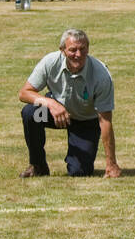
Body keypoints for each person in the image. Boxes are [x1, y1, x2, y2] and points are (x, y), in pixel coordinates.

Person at [17, 28, 121, 179]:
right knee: (31, 114)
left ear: (88, 49)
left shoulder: (101, 75)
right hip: (57, 114)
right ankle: (38, 165)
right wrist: (51, 104)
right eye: (73, 50)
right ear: (62, 50)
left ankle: (77, 159)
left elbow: (105, 120)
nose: (78, 55)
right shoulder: (50, 62)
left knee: (79, 172)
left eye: (82, 49)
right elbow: (24, 93)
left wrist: (111, 163)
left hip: (85, 121)